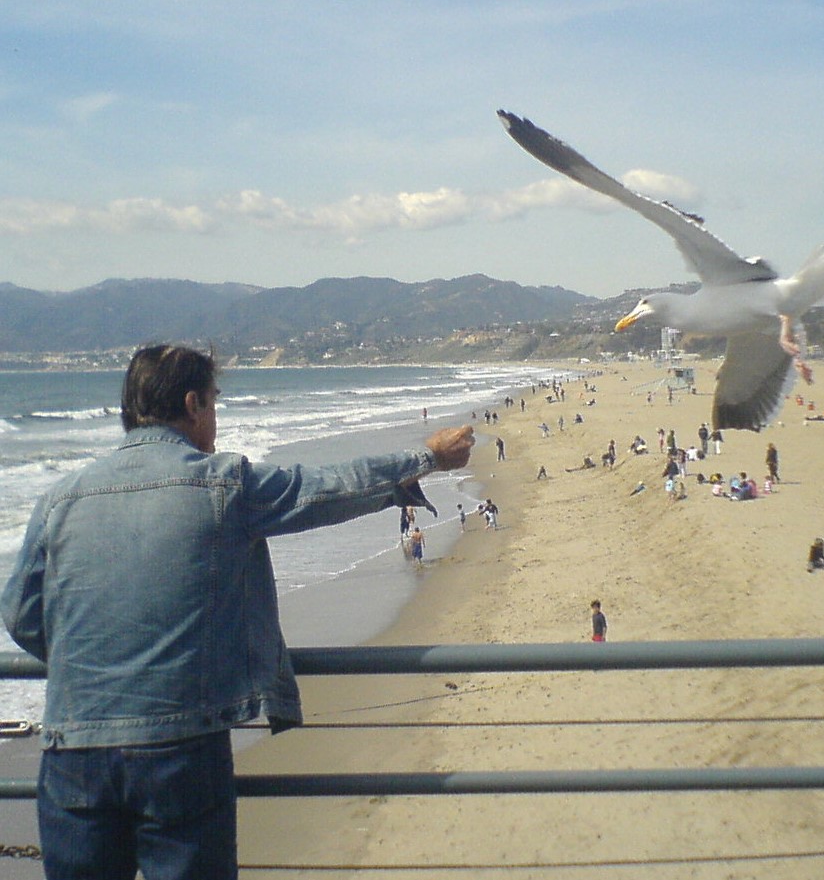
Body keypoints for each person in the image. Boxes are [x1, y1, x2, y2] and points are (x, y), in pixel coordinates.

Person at [0, 345, 474, 880]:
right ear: (194, 403)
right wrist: (428, 457)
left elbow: (20, 613)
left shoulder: (59, 498)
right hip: (180, 750)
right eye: (216, 403)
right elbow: (323, 488)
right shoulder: (223, 484)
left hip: (74, 749)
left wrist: (93, 659)